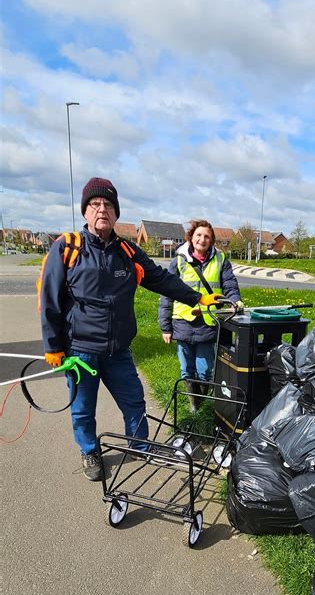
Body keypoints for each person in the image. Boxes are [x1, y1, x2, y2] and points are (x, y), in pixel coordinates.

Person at [40, 178, 221, 480]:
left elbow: (161, 279)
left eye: (108, 205)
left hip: (119, 351)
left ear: (116, 213)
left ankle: (140, 446)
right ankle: (89, 451)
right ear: (85, 211)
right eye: (95, 204)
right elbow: (49, 300)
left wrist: (198, 297)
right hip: (81, 351)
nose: (102, 210)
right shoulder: (67, 248)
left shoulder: (128, 250)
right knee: (83, 409)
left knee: (134, 401)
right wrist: (52, 346)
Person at [159, 219, 242, 410]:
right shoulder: (179, 260)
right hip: (182, 323)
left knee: (204, 371)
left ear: (211, 240)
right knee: (186, 369)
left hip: (208, 323)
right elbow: (166, 293)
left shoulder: (221, 260)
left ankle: (202, 405)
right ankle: (193, 406)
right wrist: (165, 326)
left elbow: (230, 285)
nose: (202, 239)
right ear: (191, 236)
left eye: (207, 237)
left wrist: (235, 301)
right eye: (198, 235)